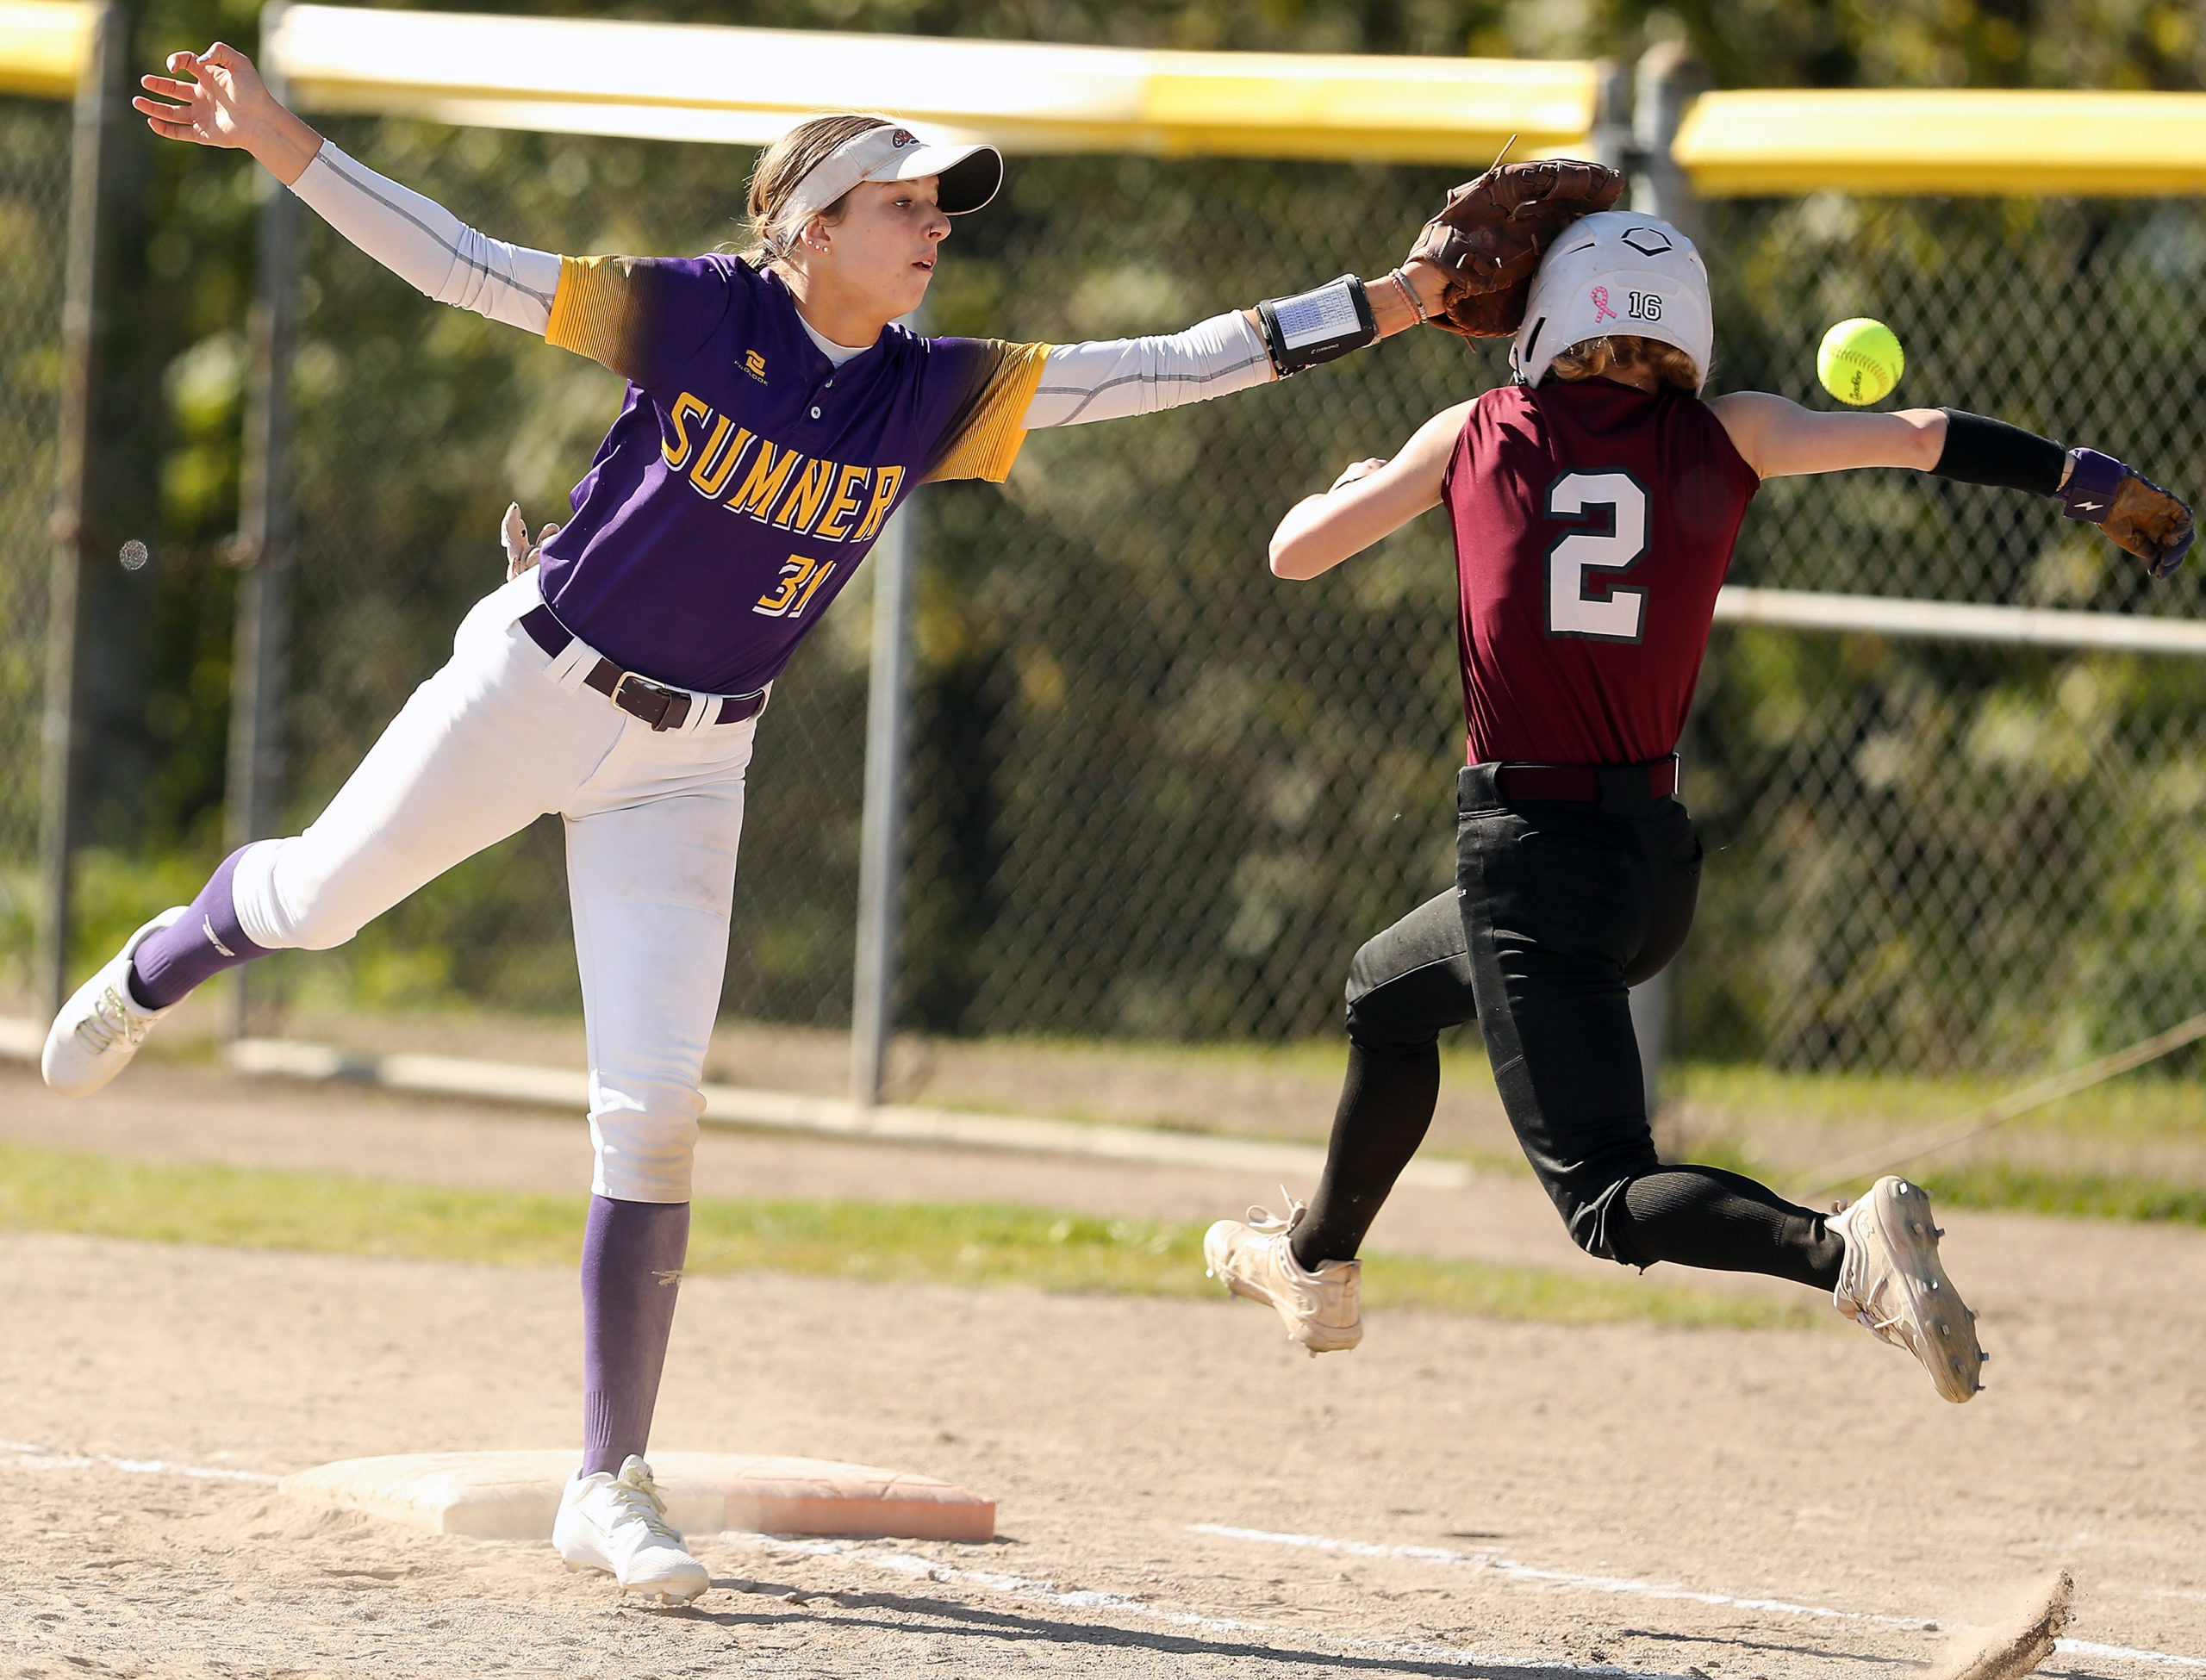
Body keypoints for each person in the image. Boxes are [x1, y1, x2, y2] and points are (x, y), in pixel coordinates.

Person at [47, 41, 1454, 1604]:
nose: (931, 228)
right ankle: (155, 965)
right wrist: (286, 144)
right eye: (899, 202)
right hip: (530, 684)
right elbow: (470, 270)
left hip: (694, 760)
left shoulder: (933, 390)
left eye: (939, 207)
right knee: (313, 903)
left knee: (652, 1108)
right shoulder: (704, 309)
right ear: (806, 224)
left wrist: (1388, 301)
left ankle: (610, 1475)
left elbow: (1168, 363)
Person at [1203, 208, 2194, 1404]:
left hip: (1528, 861)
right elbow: (1924, 436)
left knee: (1611, 1199)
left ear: (1553, 317)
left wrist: (1354, 482)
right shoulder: (1734, 430)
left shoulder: (1476, 429)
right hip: (1649, 864)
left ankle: (1840, 1251)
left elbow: (1291, 554)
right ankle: (1317, 1262)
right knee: (1388, 992)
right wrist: (2079, 476)